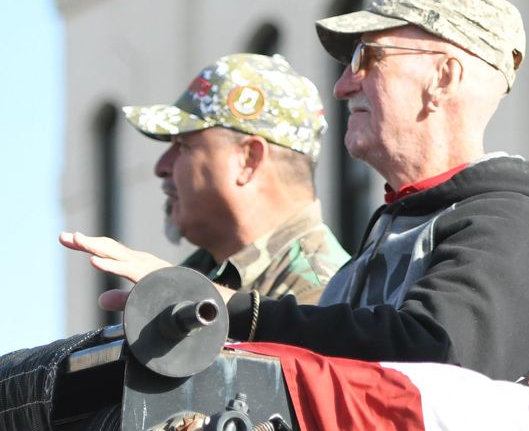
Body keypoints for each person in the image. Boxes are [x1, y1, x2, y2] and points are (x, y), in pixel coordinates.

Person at [68, 0, 529, 384]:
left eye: (366, 57)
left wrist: (227, 309)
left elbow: (433, 363)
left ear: (444, 77)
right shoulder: (370, 258)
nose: (342, 86)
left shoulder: (511, 223)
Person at [62, 53, 346, 304]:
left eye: (183, 146)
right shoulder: (204, 273)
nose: (161, 167)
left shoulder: (326, 291)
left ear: (248, 159)